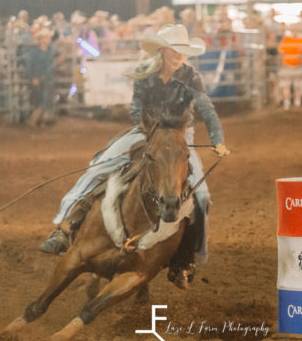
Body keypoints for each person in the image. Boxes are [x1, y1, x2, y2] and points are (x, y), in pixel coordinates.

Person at [38, 24, 230, 285]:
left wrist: (217, 139)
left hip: (180, 137)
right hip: (145, 132)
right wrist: (153, 130)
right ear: (162, 51)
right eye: (175, 50)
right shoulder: (145, 74)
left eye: (183, 51)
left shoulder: (191, 77)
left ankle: (186, 259)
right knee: (97, 168)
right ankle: (63, 227)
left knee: (202, 196)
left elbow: (206, 109)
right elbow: (136, 108)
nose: (179, 55)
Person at [23, 27, 62, 126]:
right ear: (41, 40)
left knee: (45, 100)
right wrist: (33, 78)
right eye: (46, 37)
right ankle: (34, 120)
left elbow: (61, 56)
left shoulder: (51, 50)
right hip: (38, 78)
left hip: (48, 79)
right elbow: (29, 67)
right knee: (39, 100)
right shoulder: (35, 53)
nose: (48, 39)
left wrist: (57, 63)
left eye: (48, 37)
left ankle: (38, 120)